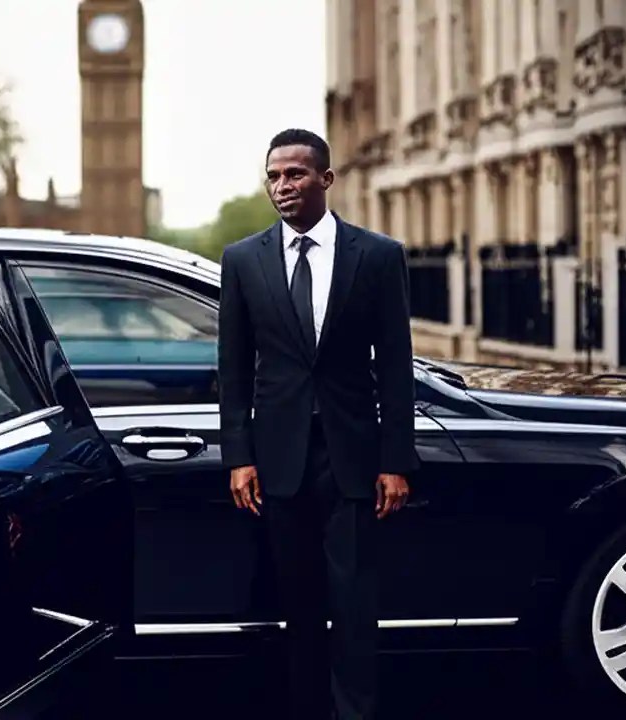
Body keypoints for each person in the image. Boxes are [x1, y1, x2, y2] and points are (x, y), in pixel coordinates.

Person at [217, 128, 418, 720]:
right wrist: (239, 456)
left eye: (295, 174)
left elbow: (397, 365)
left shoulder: (378, 256)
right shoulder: (242, 260)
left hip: (353, 459)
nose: (282, 185)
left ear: (325, 179)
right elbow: (233, 367)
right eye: (274, 176)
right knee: (298, 607)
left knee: (355, 607)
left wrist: (395, 460)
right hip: (277, 460)